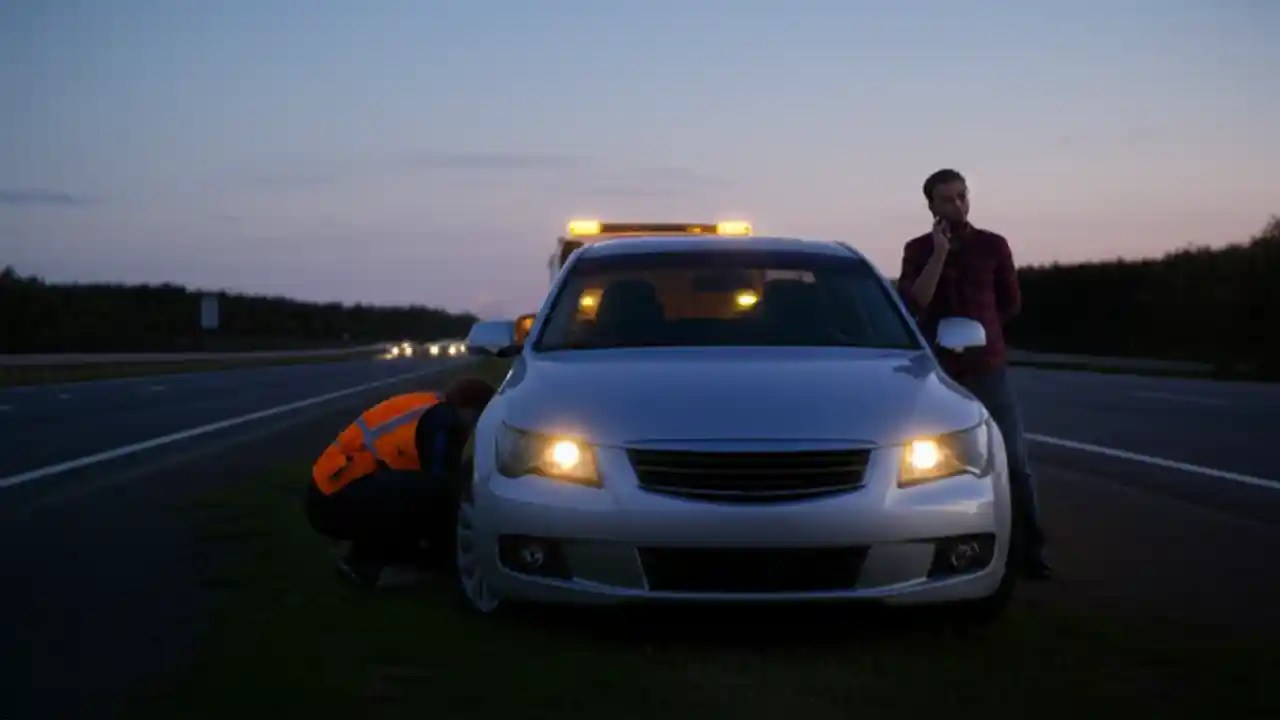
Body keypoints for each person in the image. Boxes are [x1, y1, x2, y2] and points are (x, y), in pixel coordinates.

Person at [897, 168, 1052, 580]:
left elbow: (1010, 303)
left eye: (962, 196)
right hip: (939, 372)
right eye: (947, 199)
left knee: (1013, 461)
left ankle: (1030, 550)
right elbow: (913, 303)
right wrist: (939, 254)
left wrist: (983, 330)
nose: (958, 205)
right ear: (931, 205)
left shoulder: (992, 245)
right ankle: (942, 549)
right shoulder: (917, 249)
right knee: (933, 463)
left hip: (987, 366)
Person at [306, 376, 497, 588]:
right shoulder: (444, 421)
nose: (475, 427)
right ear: (470, 408)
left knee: (418, 493)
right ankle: (364, 565)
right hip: (335, 498)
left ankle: (381, 554)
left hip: (330, 492)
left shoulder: (430, 405)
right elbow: (444, 486)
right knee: (436, 492)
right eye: (479, 418)